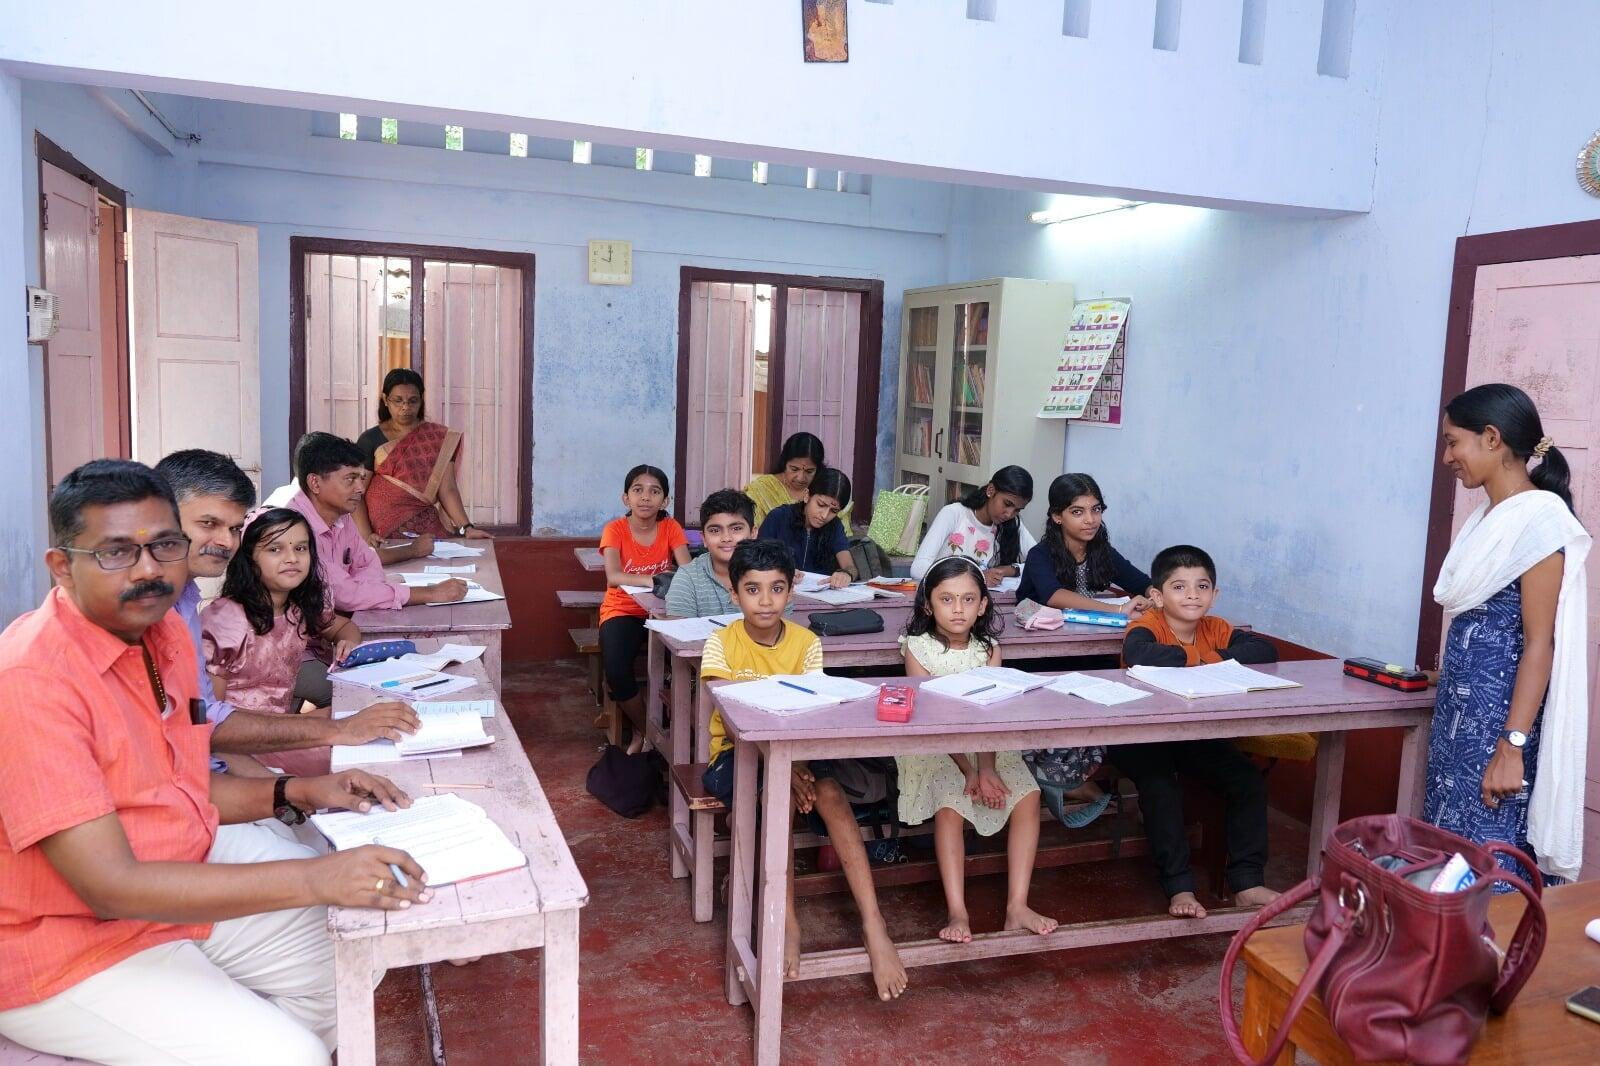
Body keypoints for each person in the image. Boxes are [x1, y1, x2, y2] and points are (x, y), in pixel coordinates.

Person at [0, 459, 429, 1065]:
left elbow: (182, 787)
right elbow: (110, 888)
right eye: (117, 552)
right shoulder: (32, 680)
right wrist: (315, 876)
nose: (150, 570)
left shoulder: (168, 636)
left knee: (347, 959)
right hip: (65, 942)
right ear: (63, 566)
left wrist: (302, 792)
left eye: (165, 545)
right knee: (290, 1056)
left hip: (169, 872)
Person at [699, 539, 907, 1001]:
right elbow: (732, 713)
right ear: (734, 595)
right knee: (775, 798)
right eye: (753, 590)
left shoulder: (807, 642)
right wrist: (785, 768)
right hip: (735, 755)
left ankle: (875, 926)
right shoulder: (720, 643)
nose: (766, 600)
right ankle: (787, 921)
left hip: (801, 752)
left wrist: (795, 766)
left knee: (831, 796)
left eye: (776, 588)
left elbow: (810, 712)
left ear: (791, 591)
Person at [154, 451, 418, 773]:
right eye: (209, 524)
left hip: (235, 752)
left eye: (235, 529)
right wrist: (285, 785)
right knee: (366, 760)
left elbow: (204, 716)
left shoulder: (187, 604)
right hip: (224, 762)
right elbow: (210, 726)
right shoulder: (210, 619)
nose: (225, 541)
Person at [1427, 383, 1590, 884]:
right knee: (1449, 858)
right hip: (1458, 725)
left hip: (1497, 732)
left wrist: (1511, 746)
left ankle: (1494, 961)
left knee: (1490, 863)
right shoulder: (1488, 518)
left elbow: (1540, 644)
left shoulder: (1540, 523)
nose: (1448, 456)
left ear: (1492, 438)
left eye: (1454, 442)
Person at [1112, 544, 1279, 919]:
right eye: (1179, 587)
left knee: (1246, 778)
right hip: (1139, 737)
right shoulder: (1148, 626)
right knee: (1160, 785)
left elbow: (1265, 651)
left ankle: (1247, 882)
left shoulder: (1217, 629)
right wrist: (1199, 659)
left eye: (1202, 587)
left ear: (1214, 595)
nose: (1192, 595)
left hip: (1193, 736)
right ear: (1156, 596)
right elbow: (1141, 654)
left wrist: (1211, 656)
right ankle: (1179, 886)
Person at [897, 557, 1058, 943]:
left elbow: (991, 713)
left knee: (1029, 796)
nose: (958, 609)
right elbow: (933, 721)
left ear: (983, 605)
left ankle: (1017, 906)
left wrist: (985, 766)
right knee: (952, 804)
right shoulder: (917, 649)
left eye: (969, 599)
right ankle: (958, 911)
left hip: (987, 745)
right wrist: (970, 772)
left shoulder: (989, 649)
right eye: (947, 599)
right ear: (927, 605)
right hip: (936, 746)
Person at [204, 507, 422, 777]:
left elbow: (343, 627)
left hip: (284, 730)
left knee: (385, 733)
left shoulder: (297, 606)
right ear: (249, 558)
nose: (291, 558)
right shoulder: (226, 620)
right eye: (275, 550)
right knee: (363, 761)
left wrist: (347, 643)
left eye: (301, 548)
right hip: (243, 747)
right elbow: (209, 724)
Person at [282, 433, 468, 611]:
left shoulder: (341, 515)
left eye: (361, 478)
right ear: (315, 483)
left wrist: (370, 592)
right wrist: (430, 593)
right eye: (350, 479)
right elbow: (345, 595)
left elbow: (367, 563)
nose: (361, 489)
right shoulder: (293, 528)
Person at [599, 464, 691, 752]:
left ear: (665, 500)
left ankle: (674, 734)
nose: (645, 497)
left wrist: (668, 580)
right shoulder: (615, 529)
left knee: (686, 665)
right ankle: (644, 730)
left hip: (664, 612)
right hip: (623, 610)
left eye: (655, 491)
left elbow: (687, 570)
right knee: (616, 668)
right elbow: (613, 577)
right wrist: (657, 578)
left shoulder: (670, 527)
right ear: (625, 497)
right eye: (637, 490)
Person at [352, 368, 494, 545]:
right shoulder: (370, 439)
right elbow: (356, 492)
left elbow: (447, 488)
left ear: (421, 401)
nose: (405, 407)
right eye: (398, 401)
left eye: (413, 401)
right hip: (378, 535)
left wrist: (467, 528)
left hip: (424, 529)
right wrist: (366, 536)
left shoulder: (438, 437)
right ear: (385, 401)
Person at [1016, 473, 1152, 616]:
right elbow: (1054, 596)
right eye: (1077, 512)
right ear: (1057, 516)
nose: (1090, 519)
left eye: (1096, 509)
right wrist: (1119, 610)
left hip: (1079, 628)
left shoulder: (1102, 551)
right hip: (1037, 631)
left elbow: (1142, 583)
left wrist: (1155, 596)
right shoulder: (1039, 554)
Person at [908, 465, 1038, 583]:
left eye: (1017, 510)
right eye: (1007, 504)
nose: (1009, 514)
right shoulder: (954, 514)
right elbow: (918, 569)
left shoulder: (1012, 525)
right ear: (991, 490)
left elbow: (1041, 562)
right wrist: (977, 577)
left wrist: (1009, 570)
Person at [664, 489, 758, 617]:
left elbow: (783, 628)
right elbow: (678, 633)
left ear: (753, 533)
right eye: (715, 531)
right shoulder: (689, 577)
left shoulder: (770, 572)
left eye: (736, 528)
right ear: (704, 539)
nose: (726, 538)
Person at [756, 466, 856, 587]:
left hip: (820, 599)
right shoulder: (779, 517)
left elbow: (850, 567)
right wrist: (781, 571)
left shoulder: (834, 526)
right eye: (821, 504)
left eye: (833, 511)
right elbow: (758, 560)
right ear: (807, 496)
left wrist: (846, 574)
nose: (824, 515)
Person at [743, 430, 852, 528]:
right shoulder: (762, 489)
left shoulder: (826, 489)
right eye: (794, 469)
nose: (801, 478)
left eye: (809, 471)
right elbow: (749, 529)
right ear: (784, 463)